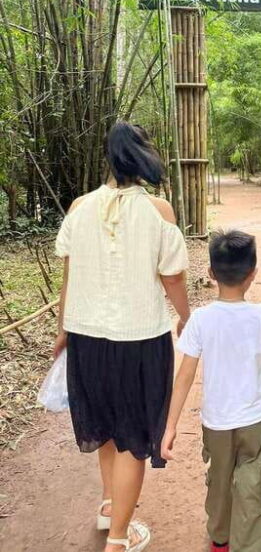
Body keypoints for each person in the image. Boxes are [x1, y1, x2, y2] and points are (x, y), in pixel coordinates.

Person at [53, 121, 191, 552]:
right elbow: (172, 277)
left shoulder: (79, 207)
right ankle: (118, 539)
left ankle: (110, 506)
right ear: (143, 155)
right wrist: (186, 316)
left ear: (108, 159)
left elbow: (69, 277)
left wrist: (62, 332)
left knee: (107, 429)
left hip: (86, 338)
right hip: (140, 340)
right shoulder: (158, 210)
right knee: (133, 440)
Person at [161, 229, 261, 552]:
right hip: (256, 420)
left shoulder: (201, 319)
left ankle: (220, 538)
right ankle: (249, 545)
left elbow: (184, 376)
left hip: (216, 422)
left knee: (219, 480)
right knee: (254, 482)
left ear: (211, 273)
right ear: (253, 273)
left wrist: (170, 425)